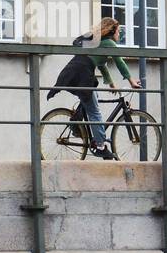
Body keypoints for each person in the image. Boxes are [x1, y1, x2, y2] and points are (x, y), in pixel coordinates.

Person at [47, 17, 141, 160]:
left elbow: (101, 64)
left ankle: (75, 123)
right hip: (82, 75)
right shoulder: (109, 43)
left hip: (74, 72)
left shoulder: (98, 43)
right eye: (119, 31)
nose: (119, 35)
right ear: (112, 30)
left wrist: (111, 83)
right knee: (94, 112)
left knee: (92, 97)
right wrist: (131, 81)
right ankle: (100, 146)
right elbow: (120, 62)